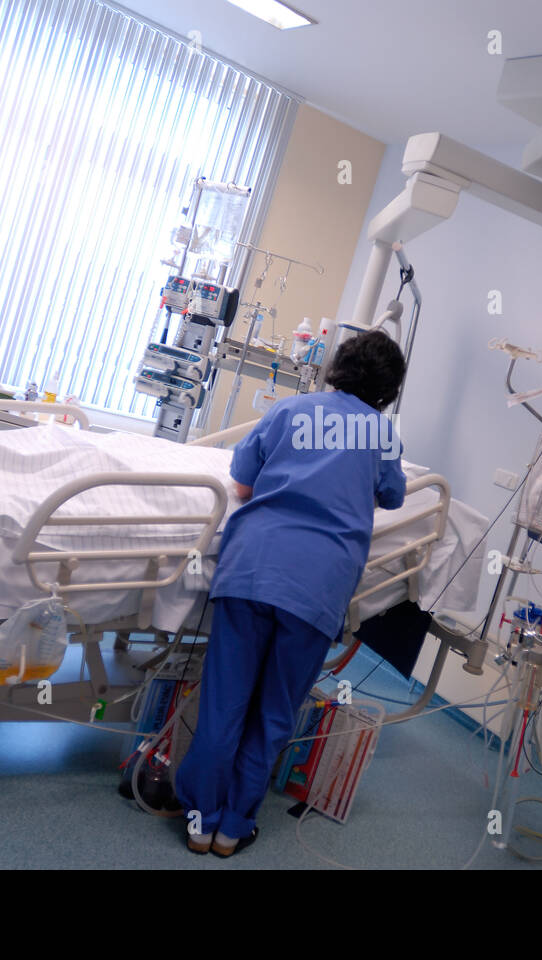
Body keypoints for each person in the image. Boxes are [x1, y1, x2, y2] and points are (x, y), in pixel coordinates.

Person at [174, 330, 408, 857]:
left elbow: (240, 484)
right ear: (389, 387)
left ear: (338, 367)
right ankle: (233, 828)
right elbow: (393, 496)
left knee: (222, 704)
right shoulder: (384, 435)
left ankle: (199, 822)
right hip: (317, 588)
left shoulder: (289, 411)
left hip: (252, 567)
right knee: (274, 712)